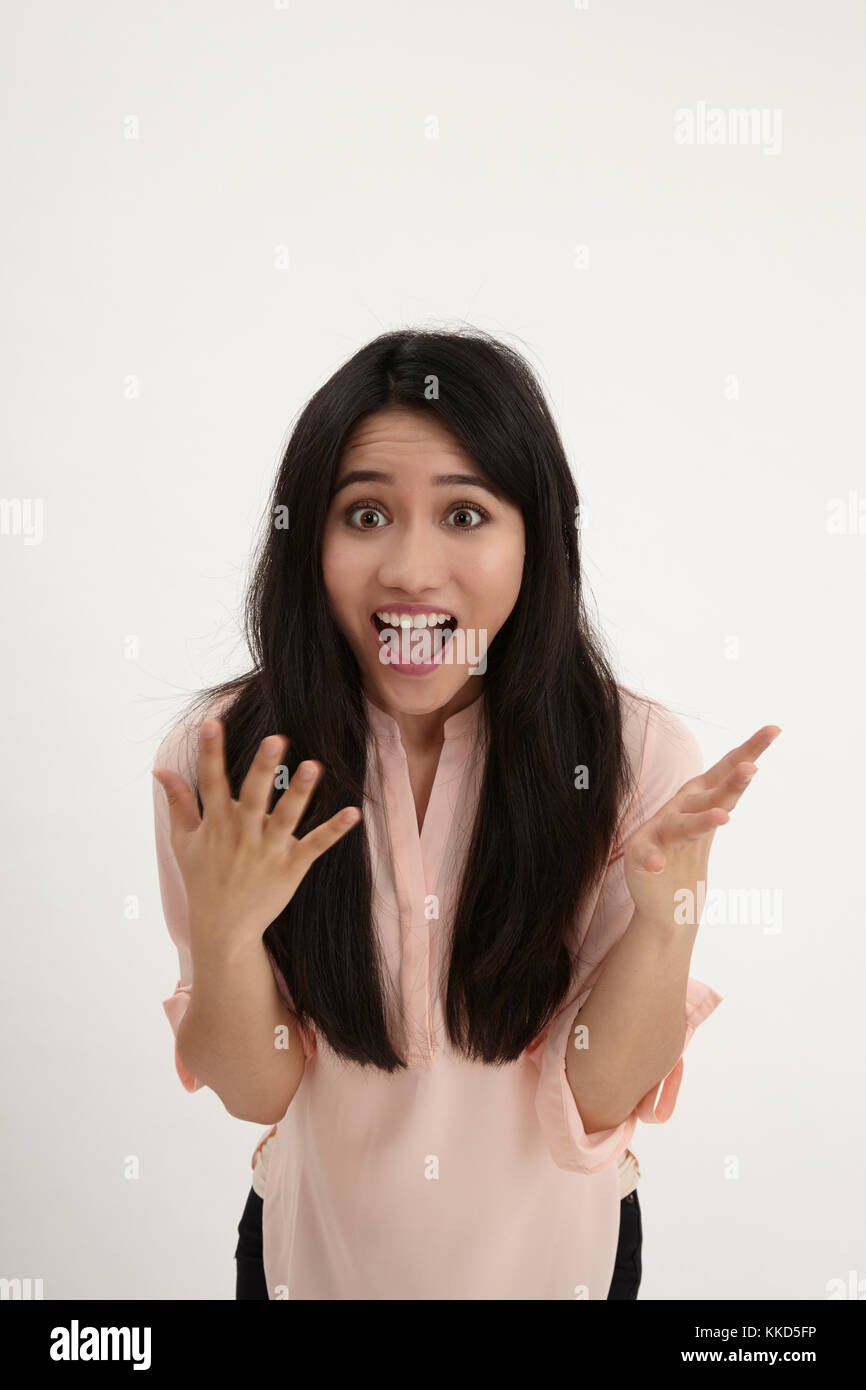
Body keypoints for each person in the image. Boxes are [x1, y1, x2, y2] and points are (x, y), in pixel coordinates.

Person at [152, 327, 779, 1300]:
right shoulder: (228, 763)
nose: (409, 567)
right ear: (306, 537)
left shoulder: (636, 759)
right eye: (364, 513)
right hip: (310, 1267)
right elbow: (257, 1090)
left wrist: (664, 925)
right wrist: (227, 935)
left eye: (464, 514)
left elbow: (595, 1095)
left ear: (536, 539)